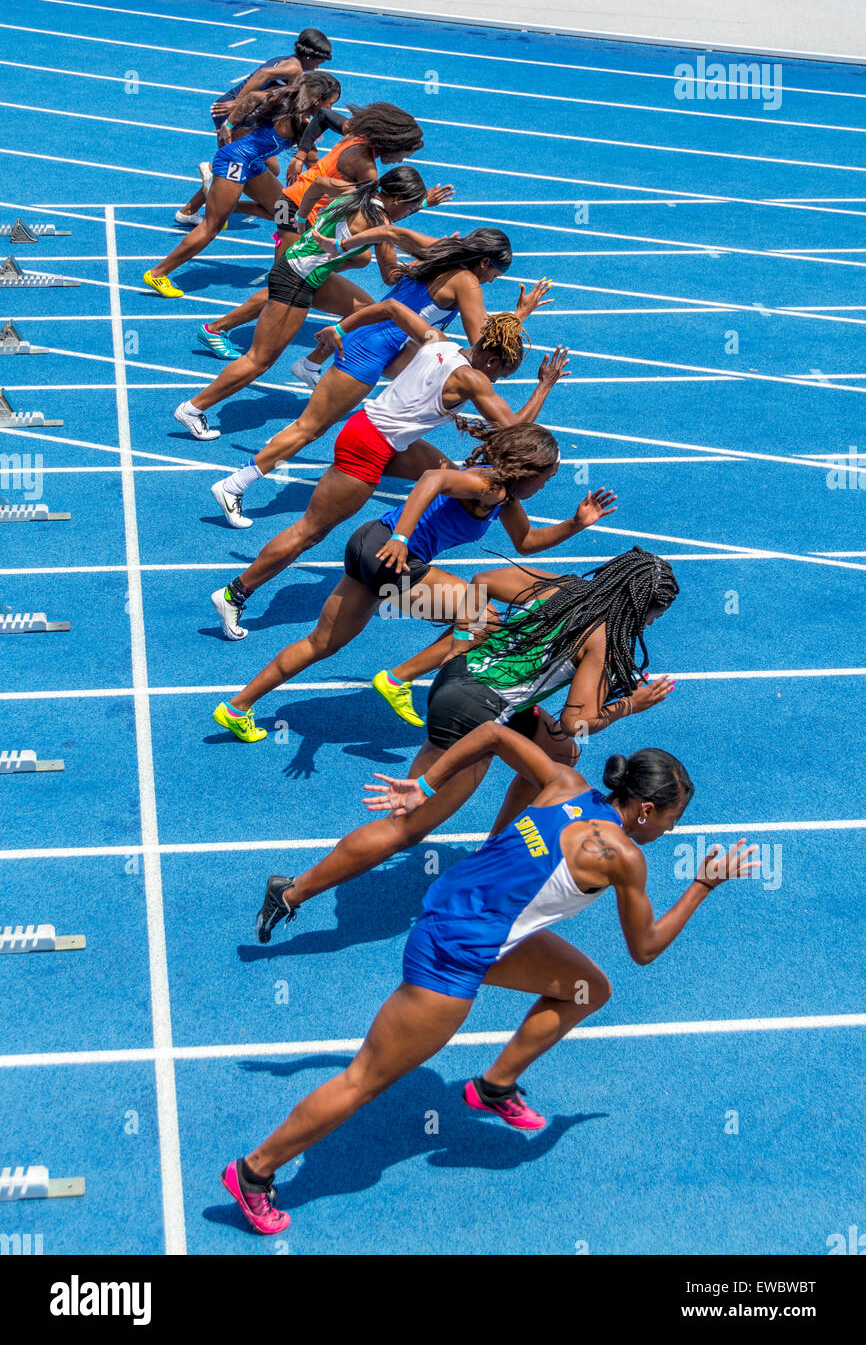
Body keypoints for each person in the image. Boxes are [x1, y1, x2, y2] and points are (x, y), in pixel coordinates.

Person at [220, 730, 759, 1236]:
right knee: (363, 1080)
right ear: (645, 809)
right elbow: (644, 950)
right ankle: (254, 1172)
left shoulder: (567, 785)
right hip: (455, 953)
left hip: (468, 916)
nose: (670, 830)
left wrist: (425, 786)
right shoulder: (623, 857)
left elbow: (497, 735)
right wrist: (702, 885)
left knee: (586, 988)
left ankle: (494, 1086)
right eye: (671, 819)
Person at [242, 547, 679, 935]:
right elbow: (578, 719)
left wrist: (466, 637)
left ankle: (496, 847)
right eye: (654, 615)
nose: (653, 624)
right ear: (637, 606)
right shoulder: (602, 638)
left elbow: (483, 582)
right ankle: (293, 891)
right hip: (475, 713)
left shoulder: (559, 586)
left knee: (560, 757)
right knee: (405, 829)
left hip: (461, 675)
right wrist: (630, 706)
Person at [210, 425, 615, 736]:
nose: (545, 485)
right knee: (482, 616)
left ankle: (237, 708)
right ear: (526, 468)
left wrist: (576, 524)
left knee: (321, 643)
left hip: (368, 544)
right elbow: (430, 480)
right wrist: (403, 538)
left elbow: (527, 543)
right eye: (545, 477)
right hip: (393, 553)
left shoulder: (504, 497)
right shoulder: (485, 483)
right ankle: (397, 679)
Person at [209, 307, 569, 637]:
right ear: (491, 360)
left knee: (449, 471)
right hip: (369, 446)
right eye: (503, 374)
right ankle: (235, 593)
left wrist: (340, 326)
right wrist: (545, 385)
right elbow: (515, 428)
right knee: (310, 532)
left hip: (377, 432)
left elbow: (394, 308)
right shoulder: (475, 380)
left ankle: (438, 524)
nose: (498, 382)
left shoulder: (438, 341)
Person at [208, 230, 551, 519]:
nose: (493, 280)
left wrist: (340, 246)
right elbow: (482, 347)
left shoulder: (441, 253)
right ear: (485, 262)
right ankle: (235, 484)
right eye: (496, 274)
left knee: (440, 370)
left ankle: (312, 368)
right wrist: (519, 316)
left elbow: (390, 232)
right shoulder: (468, 282)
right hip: (372, 350)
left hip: (389, 346)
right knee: (309, 428)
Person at [173, 171, 438, 441]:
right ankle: (193, 408)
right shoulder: (379, 221)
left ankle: (310, 365)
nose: (411, 211)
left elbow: (319, 183)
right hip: (295, 282)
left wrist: (302, 217)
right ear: (398, 199)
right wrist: (425, 268)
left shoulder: (355, 191)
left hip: (303, 270)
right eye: (412, 206)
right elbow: (390, 276)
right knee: (258, 361)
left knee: (366, 313)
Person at [196, 103, 438, 355]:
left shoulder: (355, 133)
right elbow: (374, 215)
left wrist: (300, 156)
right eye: (403, 154)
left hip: (288, 204)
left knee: (359, 257)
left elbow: (322, 116)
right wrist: (419, 205)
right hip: (295, 211)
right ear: (392, 143)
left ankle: (315, 280)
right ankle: (216, 328)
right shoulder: (366, 167)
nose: (400, 160)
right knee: (287, 281)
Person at [143, 71, 341, 299]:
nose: (332, 110)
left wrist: (229, 124)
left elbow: (253, 98)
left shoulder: (289, 103)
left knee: (284, 211)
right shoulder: (300, 119)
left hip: (252, 164)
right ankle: (158, 273)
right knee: (212, 226)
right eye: (331, 103)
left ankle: (221, 199)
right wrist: (228, 125)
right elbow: (313, 161)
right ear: (318, 100)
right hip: (234, 162)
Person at [174, 29, 334, 226]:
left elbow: (286, 100)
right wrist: (236, 104)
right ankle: (213, 186)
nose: (320, 66)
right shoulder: (295, 68)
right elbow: (263, 74)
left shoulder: (288, 61)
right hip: (238, 112)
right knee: (239, 167)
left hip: (246, 113)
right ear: (309, 55)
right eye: (320, 60)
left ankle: (191, 210)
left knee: (271, 168)